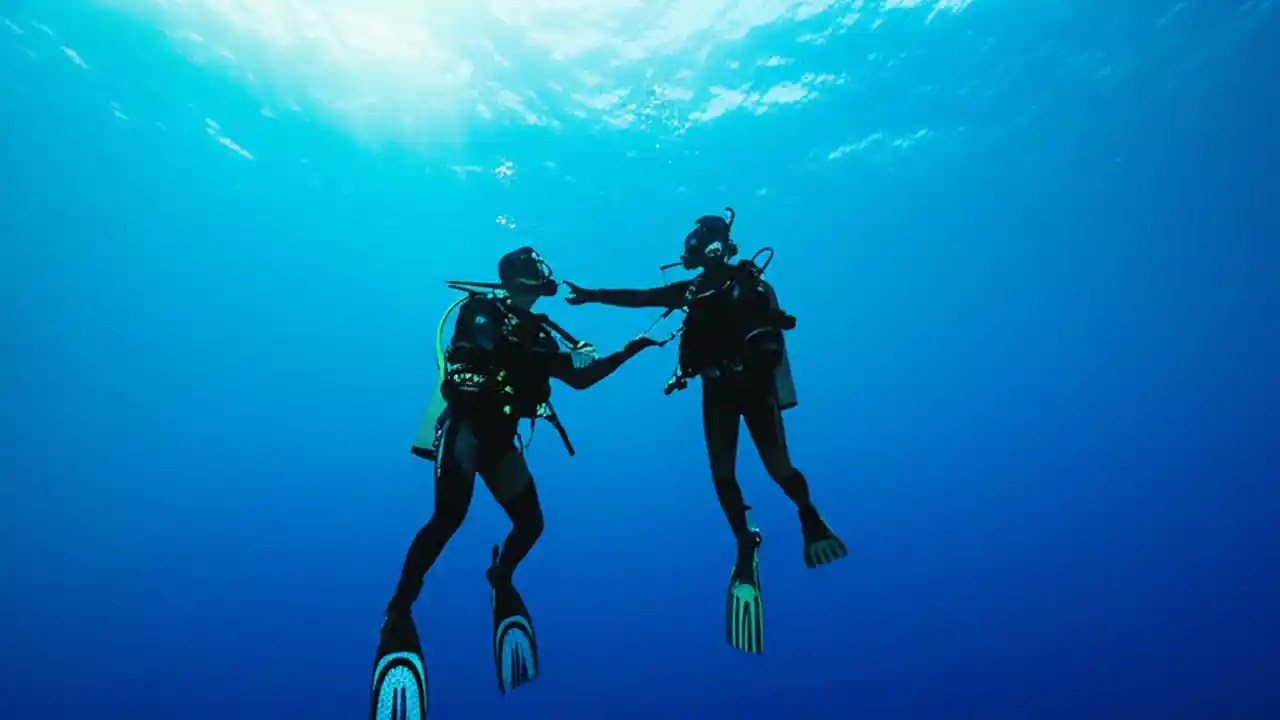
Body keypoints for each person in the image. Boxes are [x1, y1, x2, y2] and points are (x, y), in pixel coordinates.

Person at [371, 247, 658, 718]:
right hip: (465, 431)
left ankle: (500, 576)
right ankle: (399, 610)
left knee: (531, 524)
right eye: (536, 269)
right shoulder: (480, 310)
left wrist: (633, 348)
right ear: (517, 278)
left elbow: (582, 381)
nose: (545, 275)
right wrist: (554, 354)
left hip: (501, 441)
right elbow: (476, 362)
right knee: (447, 519)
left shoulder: (541, 333)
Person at [565, 209, 847, 655]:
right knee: (722, 477)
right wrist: (592, 294)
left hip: (752, 389)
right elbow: (641, 297)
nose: (692, 247)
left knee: (779, 469)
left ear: (718, 245)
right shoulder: (691, 290)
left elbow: (772, 323)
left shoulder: (747, 281)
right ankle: (744, 541)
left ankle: (809, 517)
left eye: (700, 239)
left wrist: (766, 319)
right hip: (716, 390)